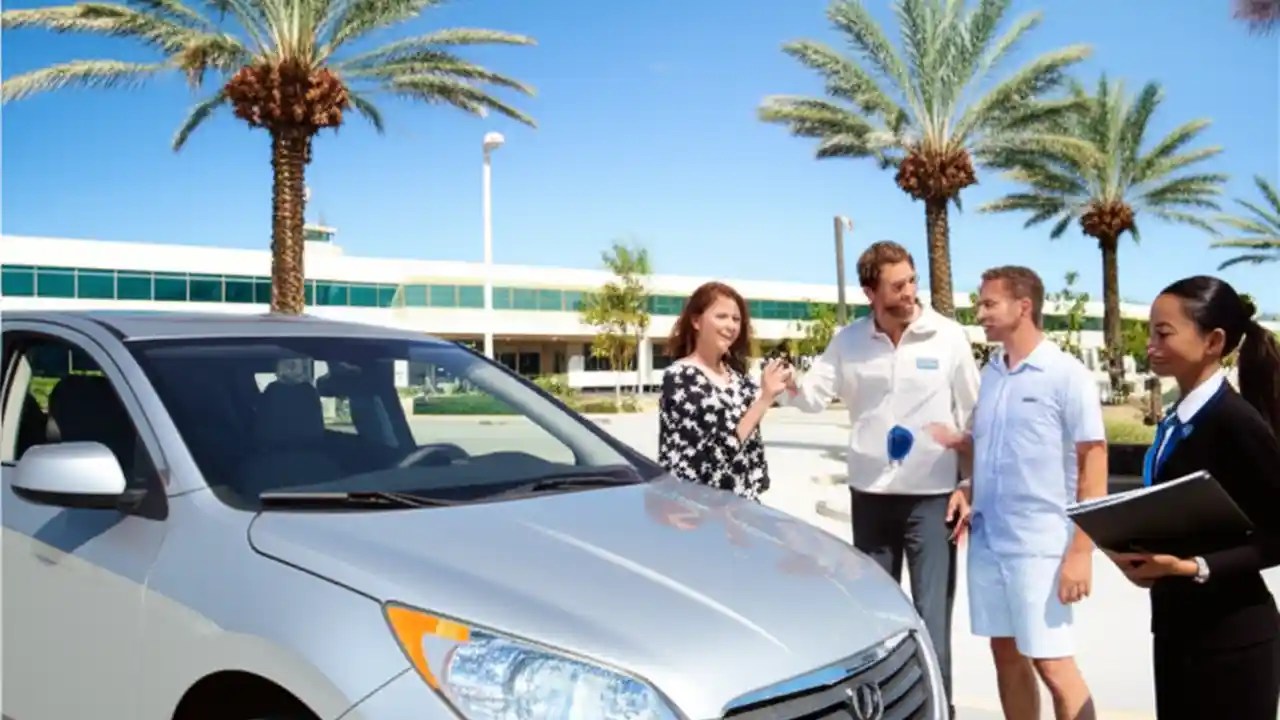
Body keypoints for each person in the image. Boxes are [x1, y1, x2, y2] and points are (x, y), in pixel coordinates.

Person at [781, 240, 980, 714]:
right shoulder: (847, 341)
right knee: (876, 619)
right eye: (898, 285)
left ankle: (938, 710)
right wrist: (780, 386)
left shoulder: (948, 337)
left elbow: (974, 418)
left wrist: (968, 486)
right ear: (871, 292)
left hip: (933, 502)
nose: (910, 292)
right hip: (869, 499)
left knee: (932, 619)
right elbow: (811, 396)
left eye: (912, 280)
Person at [934, 265, 1106, 720]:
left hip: (1041, 546)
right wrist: (969, 486)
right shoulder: (991, 373)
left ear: (1023, 306)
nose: (980, 312)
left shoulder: (1066, 374)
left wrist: (1081, 552)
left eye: (989, 303)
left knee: (1053, 665)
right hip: (989, 542)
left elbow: (1094, 460)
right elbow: (993, 448)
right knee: (1006, 656)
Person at [1106, 275, 1280, 720]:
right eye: (1150, 332)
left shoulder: (1233, 421)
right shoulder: (1176, 420)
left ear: (1213, 341)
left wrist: (1191, 567)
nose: (1150, 344)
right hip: (1177, 630)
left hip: (1232, 644)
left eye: (1163, 333)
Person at [657, 281, 792, 501]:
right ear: (696, 321)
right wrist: (764, 399)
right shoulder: (680, 377)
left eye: (736, 319)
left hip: (743, 505)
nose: (731, 326)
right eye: (721, 316)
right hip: (697, 509)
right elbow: (714, 456)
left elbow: (751, 451)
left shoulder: (738, 380)